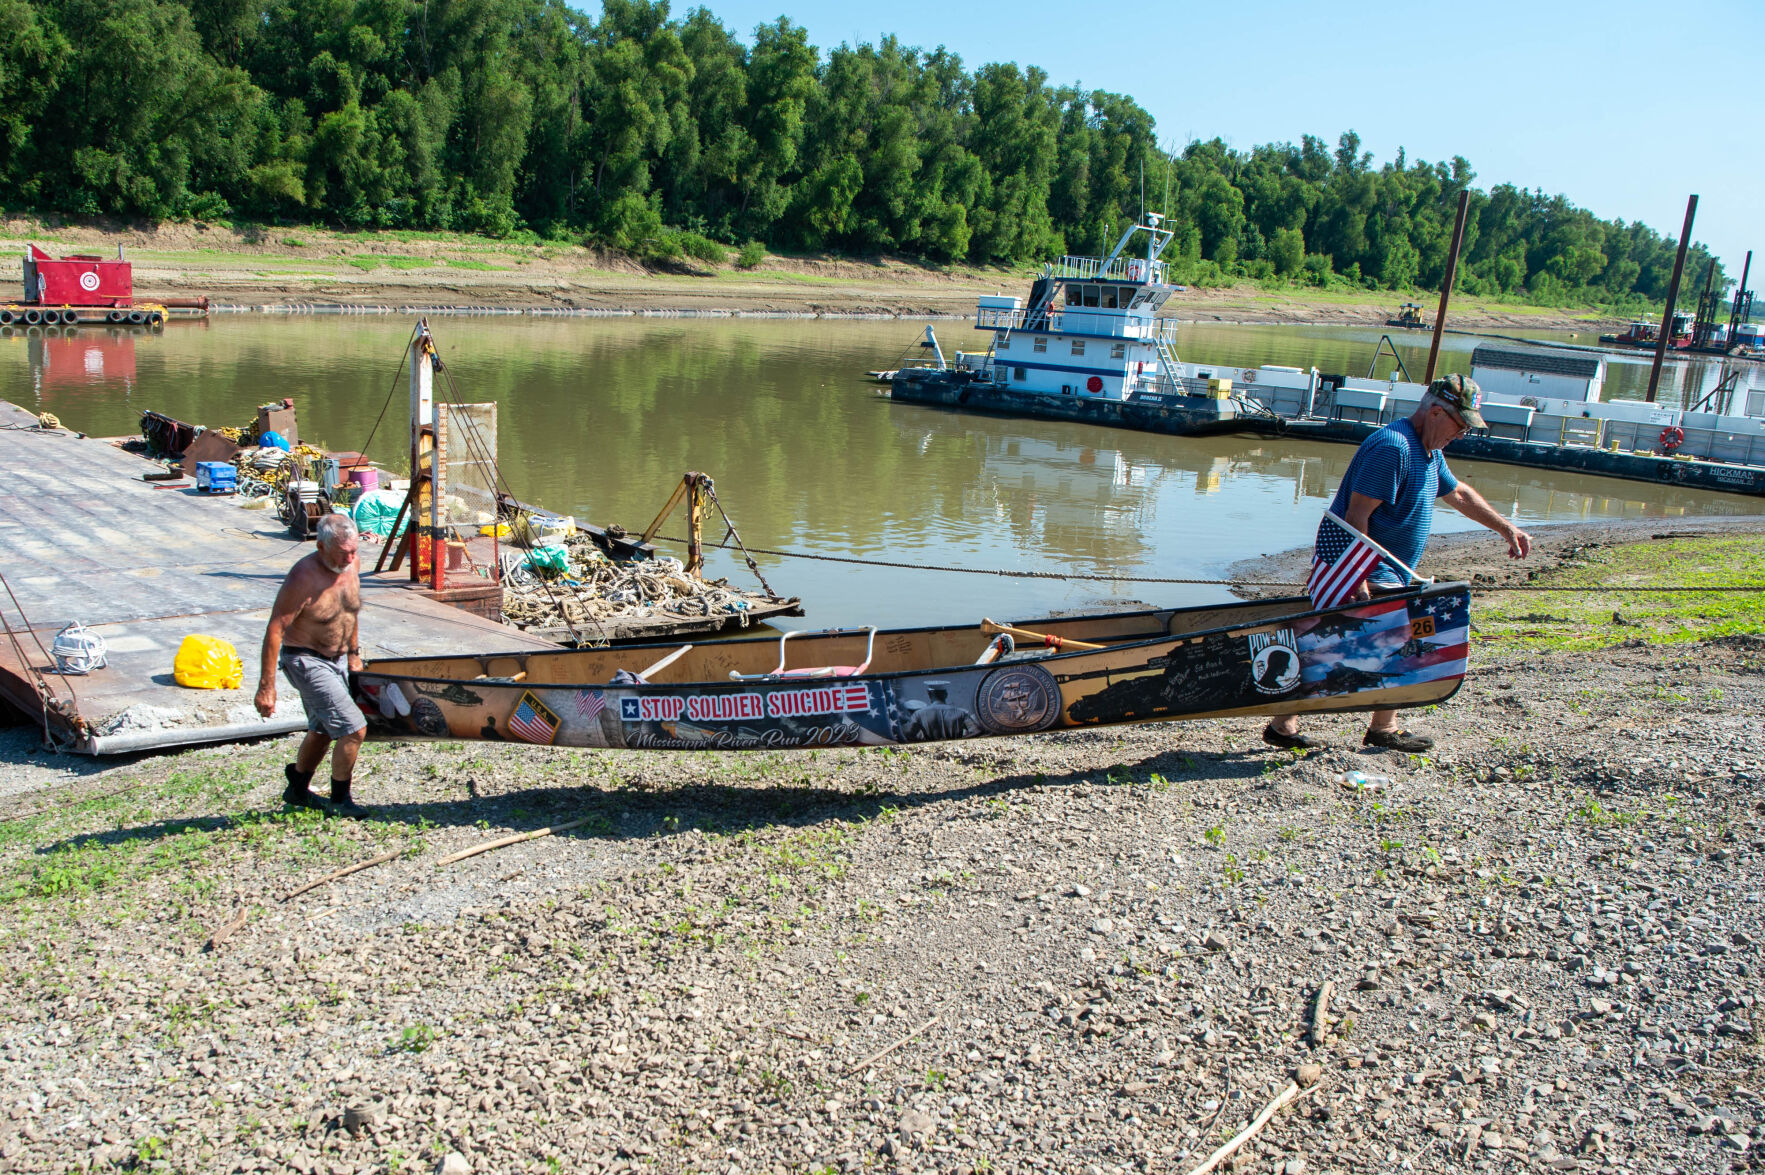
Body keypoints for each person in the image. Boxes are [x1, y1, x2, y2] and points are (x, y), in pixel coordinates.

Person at [1265, 374, 1531, 754]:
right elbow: (1357, 514)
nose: (1461, 435)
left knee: (1329, 644)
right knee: (1391, 641)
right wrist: (1357, 576)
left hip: (1390, 568)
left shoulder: (1428, 450)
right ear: (1436, 412)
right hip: (1368, 568)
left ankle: (1285, 725)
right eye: (1460, 425)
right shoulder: (1394, 448)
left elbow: (1457, 493)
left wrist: (1506, 528)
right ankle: (1381, 728)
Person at [255, 513, 369, 815]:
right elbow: (275, 629)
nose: (349, 559)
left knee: (322, 729)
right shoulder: (303, 577)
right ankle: (339, 801)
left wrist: (353, 653)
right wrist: (267, 687)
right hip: (305, 659)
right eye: (343, 553)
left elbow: (350, 610)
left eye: (354, 551)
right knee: (353, 729)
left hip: (338, 658)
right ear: (321, 547)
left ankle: (297, 787)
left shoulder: (352, 564)